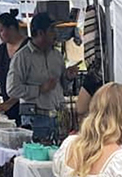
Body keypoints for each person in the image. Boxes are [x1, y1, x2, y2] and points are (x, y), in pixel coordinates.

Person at [7, 12, 78, 142]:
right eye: (51, 30)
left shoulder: (56, 55)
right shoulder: (22, 57)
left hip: (57, 118)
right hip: (35, 120)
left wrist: (68, 77)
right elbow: (12, 89)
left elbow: (62, 85)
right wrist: (39, 89)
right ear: (40, 33)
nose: (55, 34)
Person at [0, 11, 28, 124]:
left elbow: (31, 81)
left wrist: (10, 103)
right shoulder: (1, 50)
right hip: (7, 109)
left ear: (12, 28)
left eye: (1, 31)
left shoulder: (29, 48)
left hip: (27, 108)